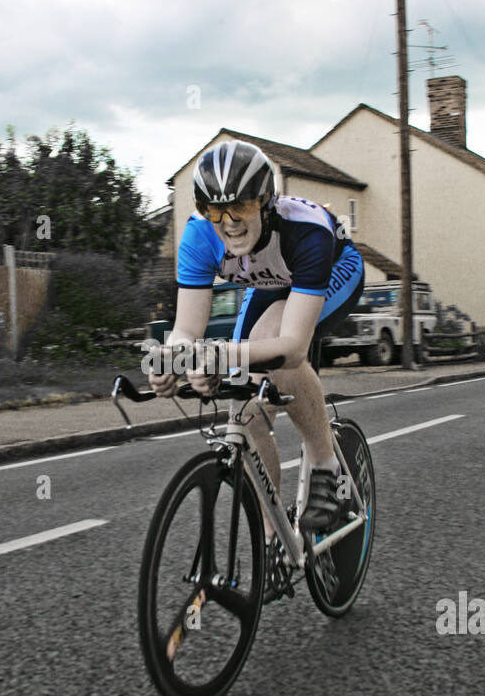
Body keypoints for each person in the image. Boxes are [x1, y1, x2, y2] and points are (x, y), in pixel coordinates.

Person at [149, 139, 365, 589]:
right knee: (243, 410)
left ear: (265, 201)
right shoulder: (198, 235)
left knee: (276, 349)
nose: (228, 223)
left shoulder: (305, 230)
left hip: (330, 270)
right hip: (268, 284)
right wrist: (173, 359)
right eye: (215, 210)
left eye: (241, 206)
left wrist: (217, 355)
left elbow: (291, 346)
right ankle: (274, 541)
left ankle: (325, 464)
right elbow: (187, 330)